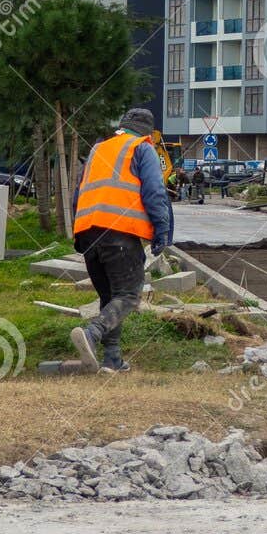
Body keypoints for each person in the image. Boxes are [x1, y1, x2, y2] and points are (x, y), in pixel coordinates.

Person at [70, 108, 172, 374]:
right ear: (148, 133)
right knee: (128, 294)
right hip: (119, 234)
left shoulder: (98, 149)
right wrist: (161, 230)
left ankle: (111, 358)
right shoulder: (141, 147)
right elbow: (154, 191)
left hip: (88, 233)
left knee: (110, 297)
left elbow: (76, 195)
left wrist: (78, 230)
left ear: (122, 126)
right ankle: (92, 333)